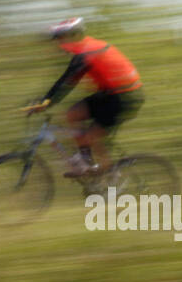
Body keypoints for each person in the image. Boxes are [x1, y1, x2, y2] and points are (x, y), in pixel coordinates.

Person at [22, 17, 144, 177]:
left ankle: (110, 180)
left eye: (60, 38)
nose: (59, 44)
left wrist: (46, 102)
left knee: (91, 137)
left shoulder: (88, 51)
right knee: (72, 114)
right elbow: (66, 79)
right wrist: (45, 100)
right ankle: (86, 161)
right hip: (111, 94)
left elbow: (68, 82)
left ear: (73, 36)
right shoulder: (84, 50)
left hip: (125, 98)